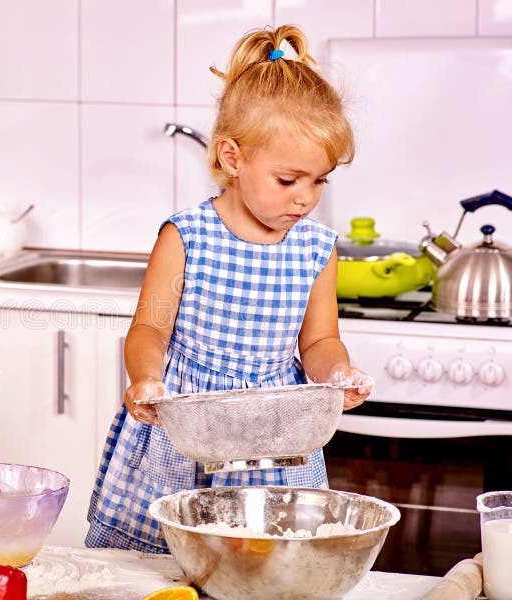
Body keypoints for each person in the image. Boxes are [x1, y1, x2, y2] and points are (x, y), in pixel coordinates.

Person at [85, 24, 375, 553]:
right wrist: (146, 378)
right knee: (168, 569)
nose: (305, 198)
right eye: (289, 180)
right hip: (186, 435)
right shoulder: (186, 237)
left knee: (262, 565)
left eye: (319, 181)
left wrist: (337, 372)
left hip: (273, 441)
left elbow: (318, 343)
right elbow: (150, 326)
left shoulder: (316, 249)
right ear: (233, 157)